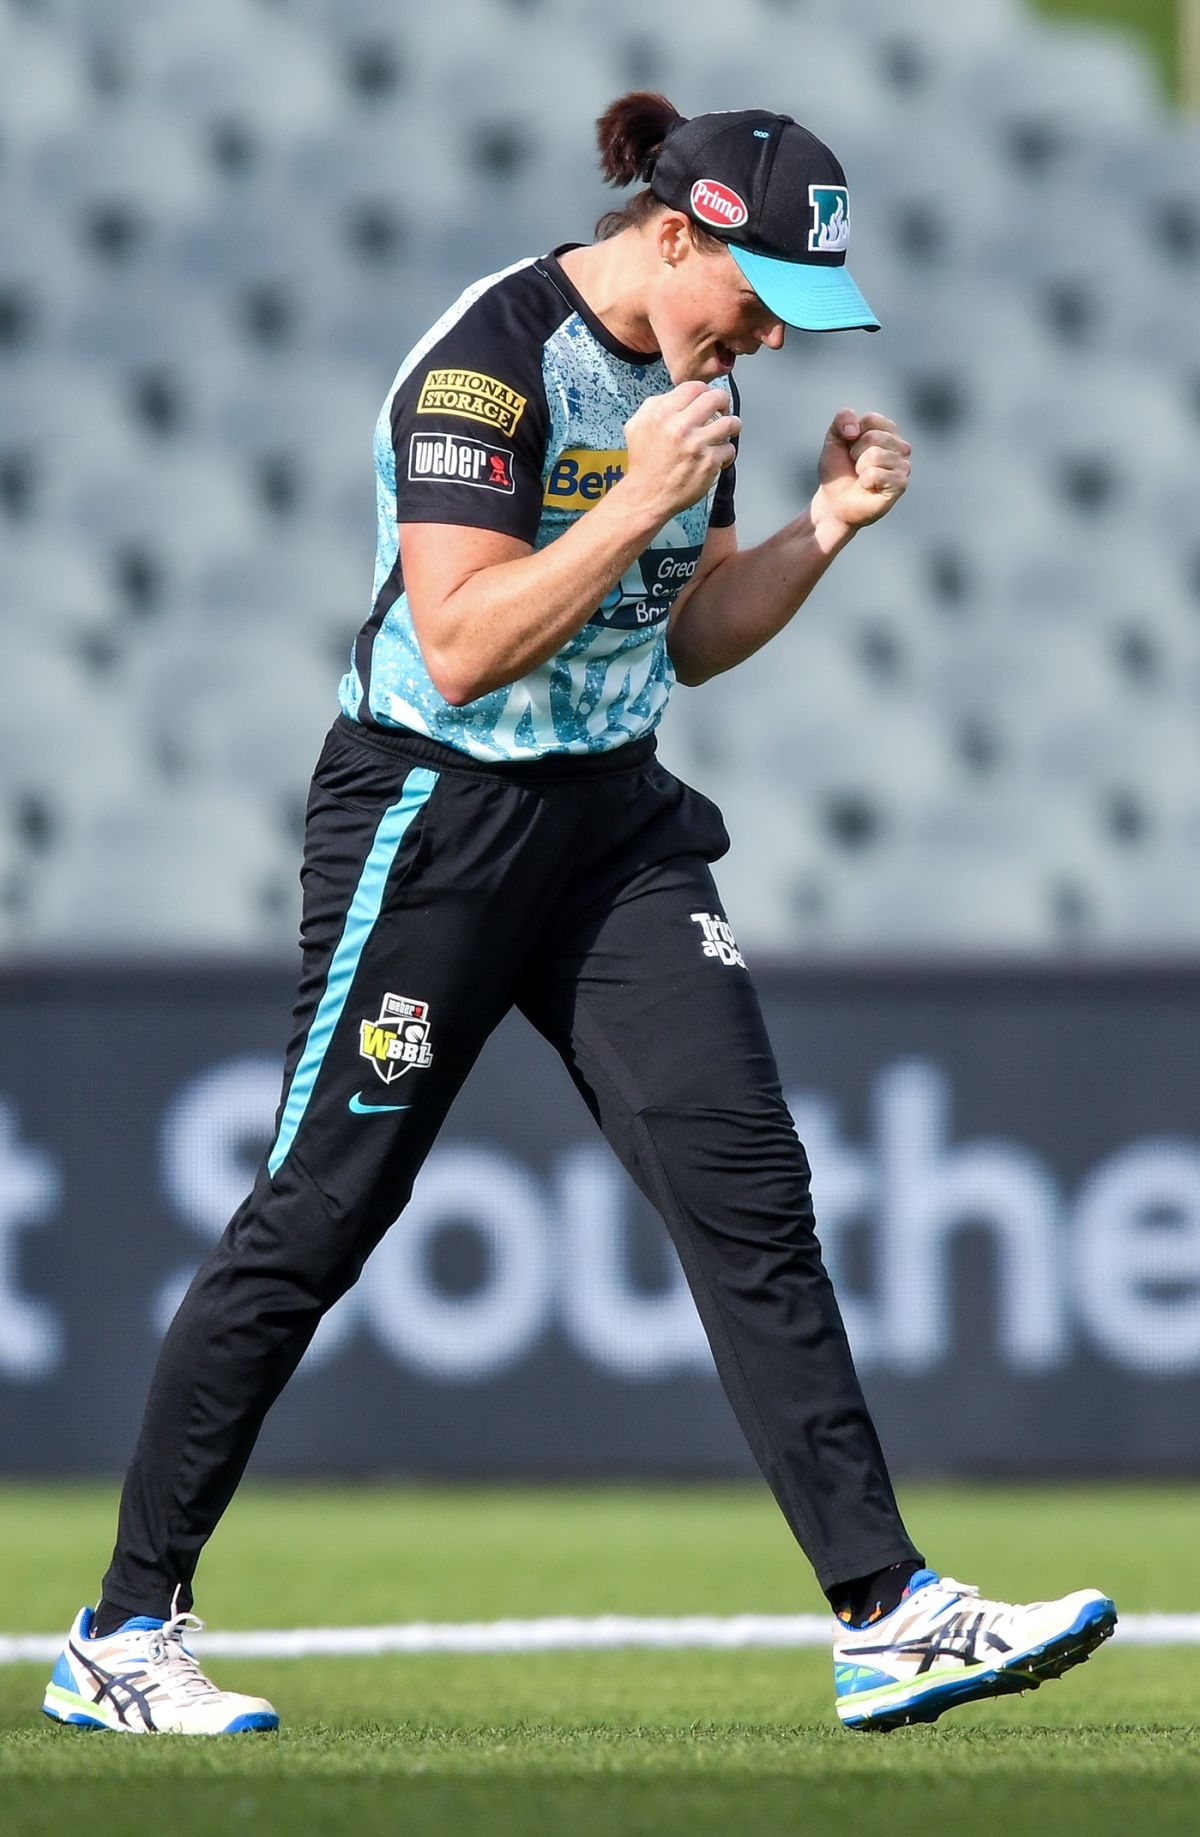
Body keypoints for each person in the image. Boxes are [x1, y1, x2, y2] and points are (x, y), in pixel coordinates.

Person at [44, 92, 1115, 1737]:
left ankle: (889, 1611)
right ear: (673, 232)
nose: (767, 334)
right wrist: (629, 493)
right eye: (755, 293)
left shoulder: (705, 385)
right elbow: (464, 642)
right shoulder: (489, 363)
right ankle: (122, 1629)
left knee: (750, 1184)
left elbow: (683, 636)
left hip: (613, 822)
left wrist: (821, 534)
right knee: (318, 1216)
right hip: (434, 814)